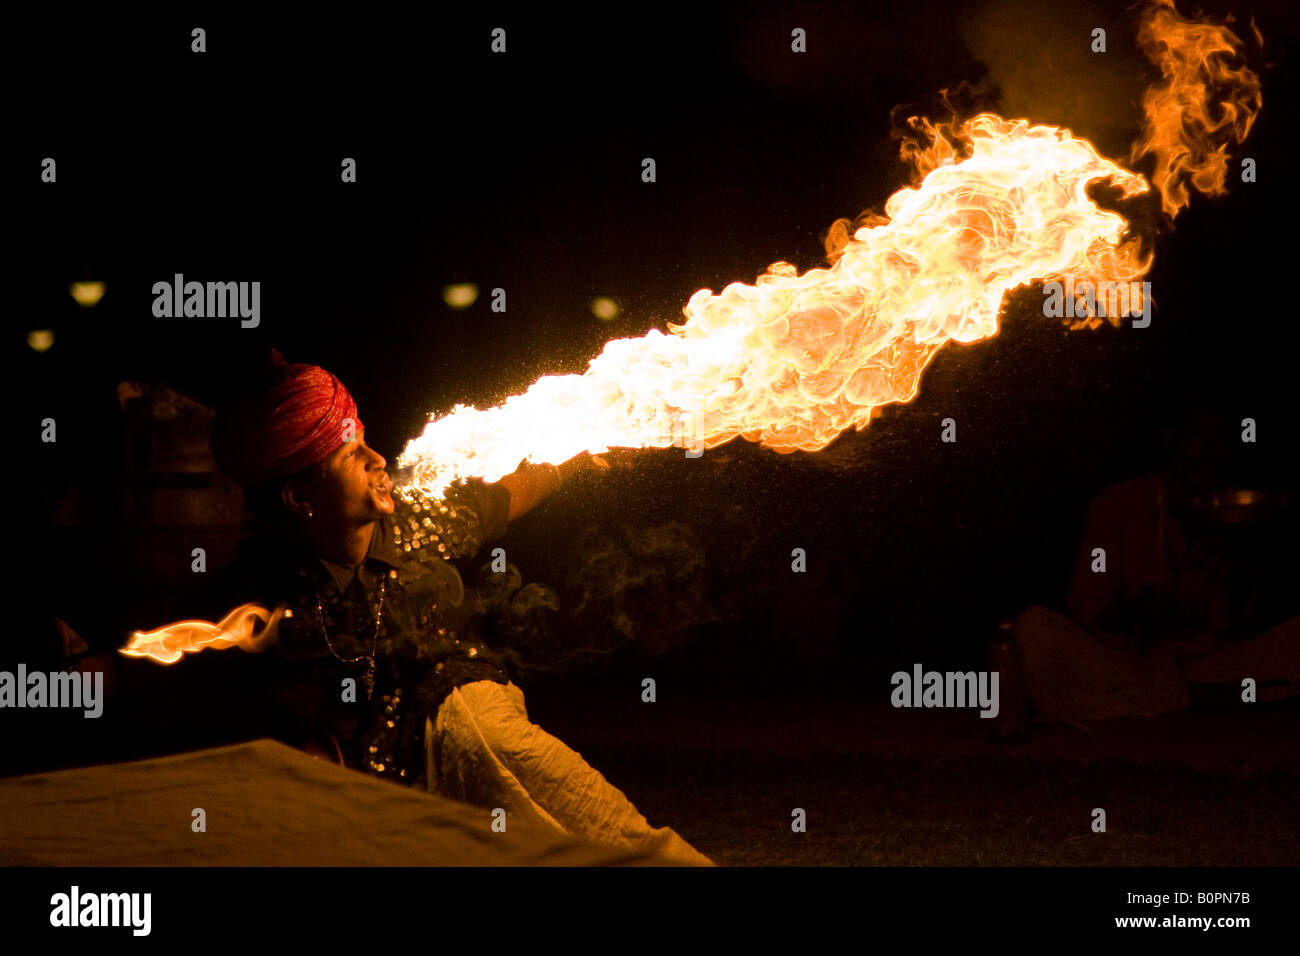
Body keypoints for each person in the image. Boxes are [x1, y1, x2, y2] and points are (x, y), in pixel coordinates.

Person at [205, 350, 713, 865]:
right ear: (299, 497)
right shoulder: (261, 594)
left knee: (486, 732)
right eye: (350, 455)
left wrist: (582, 446)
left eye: (365, 441)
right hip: (368, 787)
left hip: (460, 723)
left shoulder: (414, 526)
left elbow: (504, 499)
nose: (378, 460)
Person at [1010, 410, 1300, 721]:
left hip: (1209, 665)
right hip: (1128, 663)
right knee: (1032, 630)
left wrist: (1234, 558)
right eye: (1195, 442)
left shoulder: (1236, 509)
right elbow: (1090, 613)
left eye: (1216, 447)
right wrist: (1140, 611)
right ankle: (1198, 699)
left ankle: (1179, 696)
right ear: (1171, 442)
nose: (1205, 457)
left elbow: (1239, 624)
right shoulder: (1117, 505)